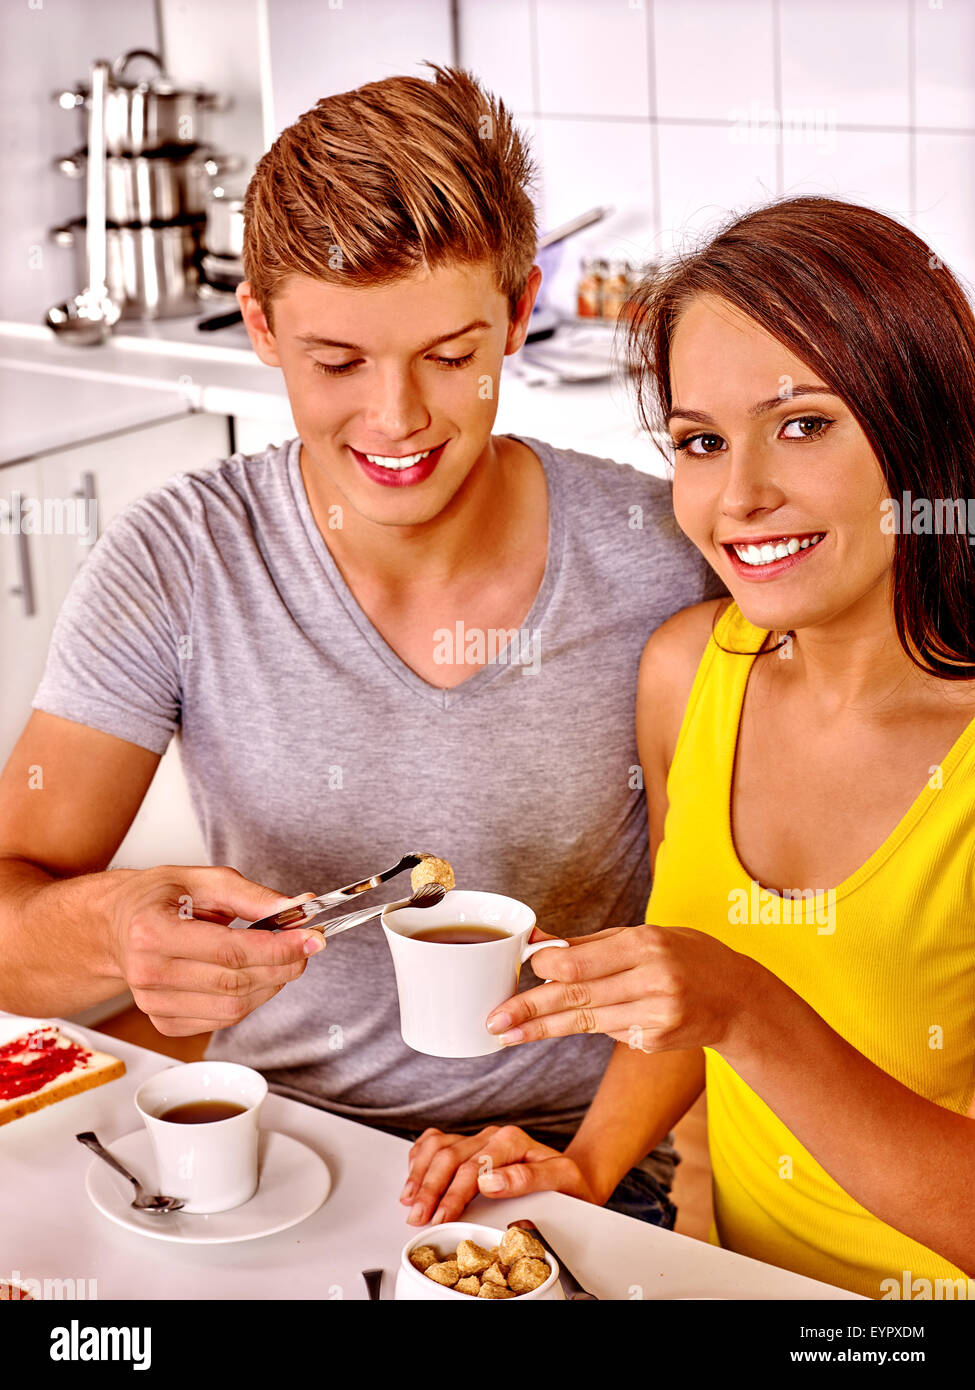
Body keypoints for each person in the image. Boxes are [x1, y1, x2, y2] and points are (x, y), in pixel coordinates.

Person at [0, 66, 721, 1228]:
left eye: (449, 353)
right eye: (338, 362)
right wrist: (117, 932)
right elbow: (9, 916)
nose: (396, 420)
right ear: (262, 328)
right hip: (276, 1150)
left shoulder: (662, 554)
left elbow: (727, 934)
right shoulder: (179, 558)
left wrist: (590, 1157)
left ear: (522, 307)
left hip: (576, 1165)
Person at [406, 196, 975, 1299]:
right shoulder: (689, 674)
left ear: (925, 425)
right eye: (702, 441)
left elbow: (723, 1000)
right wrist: (587, 1164)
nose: (741, 496)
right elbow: (681, 984)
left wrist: (750, 1010)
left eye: (803, 423)